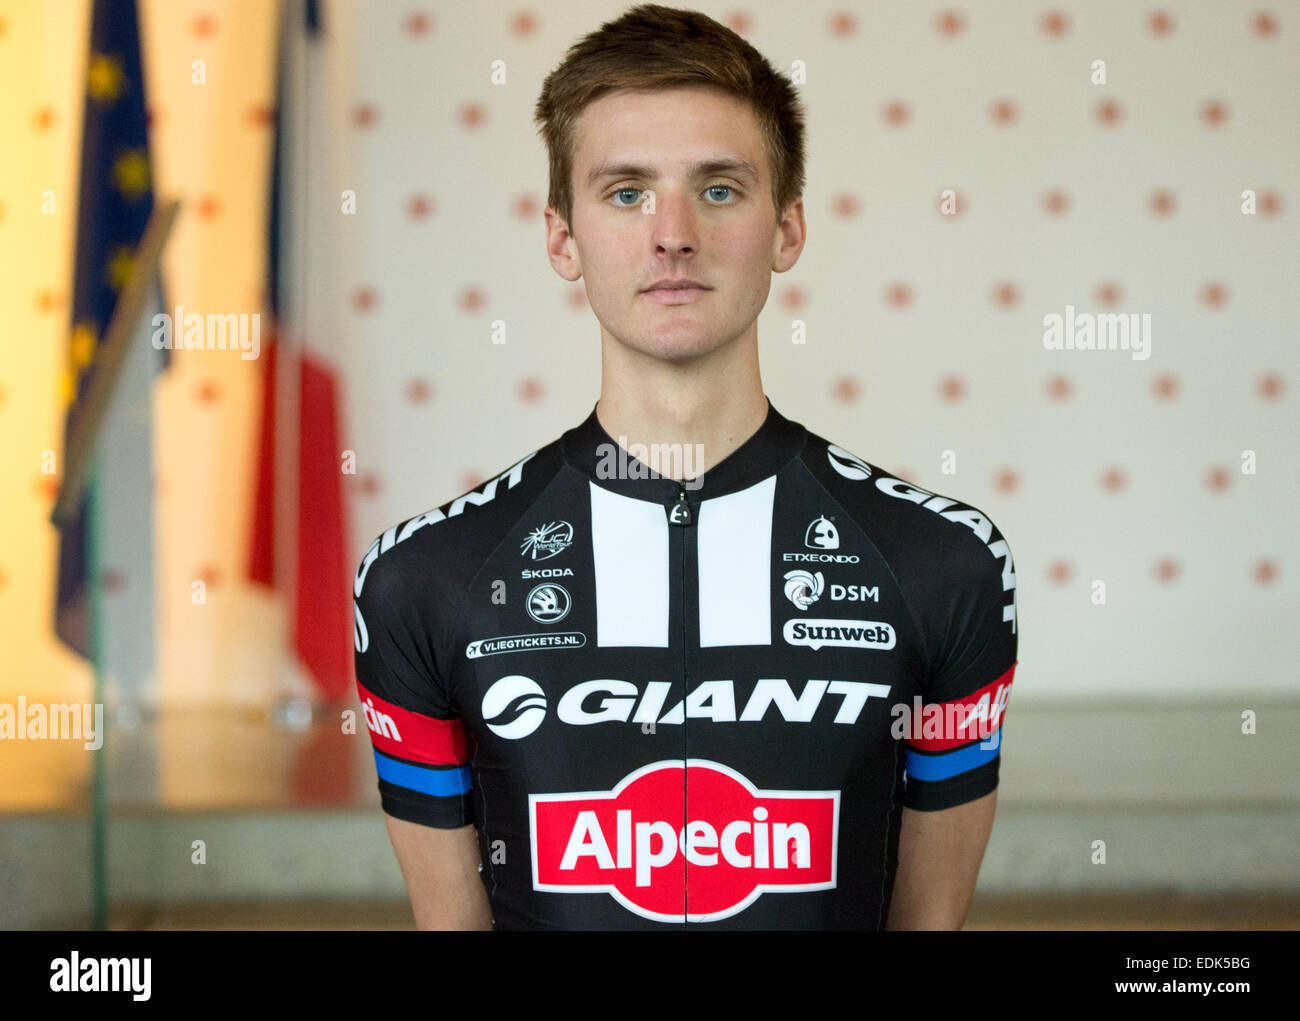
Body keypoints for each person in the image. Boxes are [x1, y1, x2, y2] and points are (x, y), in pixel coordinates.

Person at [353, 3, 1018, 930]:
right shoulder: (421, 582)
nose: (672, 234)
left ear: (787, 229)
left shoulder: (944, 564)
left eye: (718, 189)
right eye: (626, 192)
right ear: (561, 238)